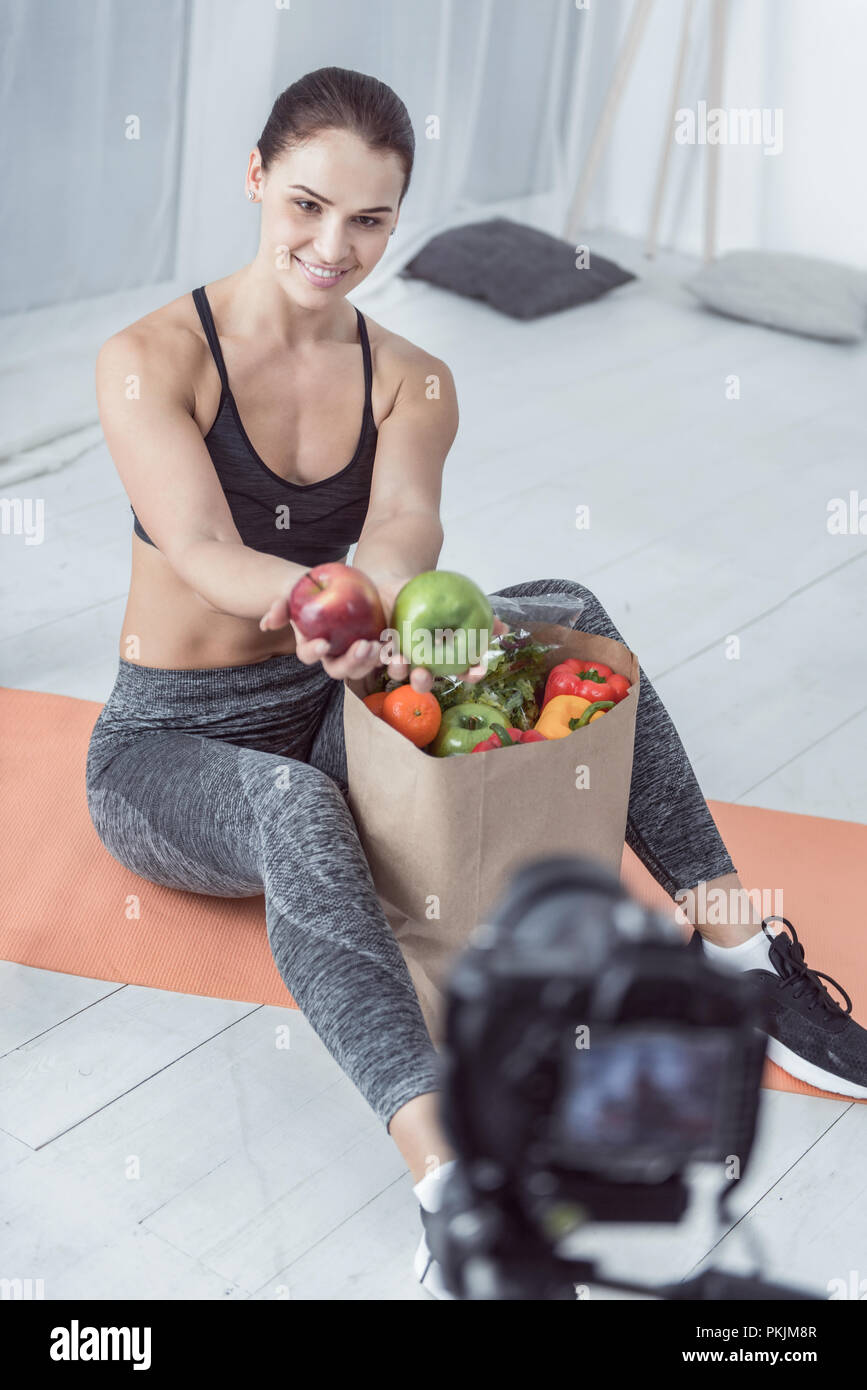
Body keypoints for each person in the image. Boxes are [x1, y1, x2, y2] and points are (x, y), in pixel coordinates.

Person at [85, 66, 867, 1301]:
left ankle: (733, 942)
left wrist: (378, 612)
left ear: (400, 216)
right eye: (304, 206)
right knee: (297, 812)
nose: (332, 246)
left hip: (343, 698)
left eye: (369, 220)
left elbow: (403, 532)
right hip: (171, 744)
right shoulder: (147, 357)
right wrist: (314, 606)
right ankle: (449, 1178)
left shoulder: (415, 377)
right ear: (251, 180)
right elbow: (201, 549)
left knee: (571, 613)